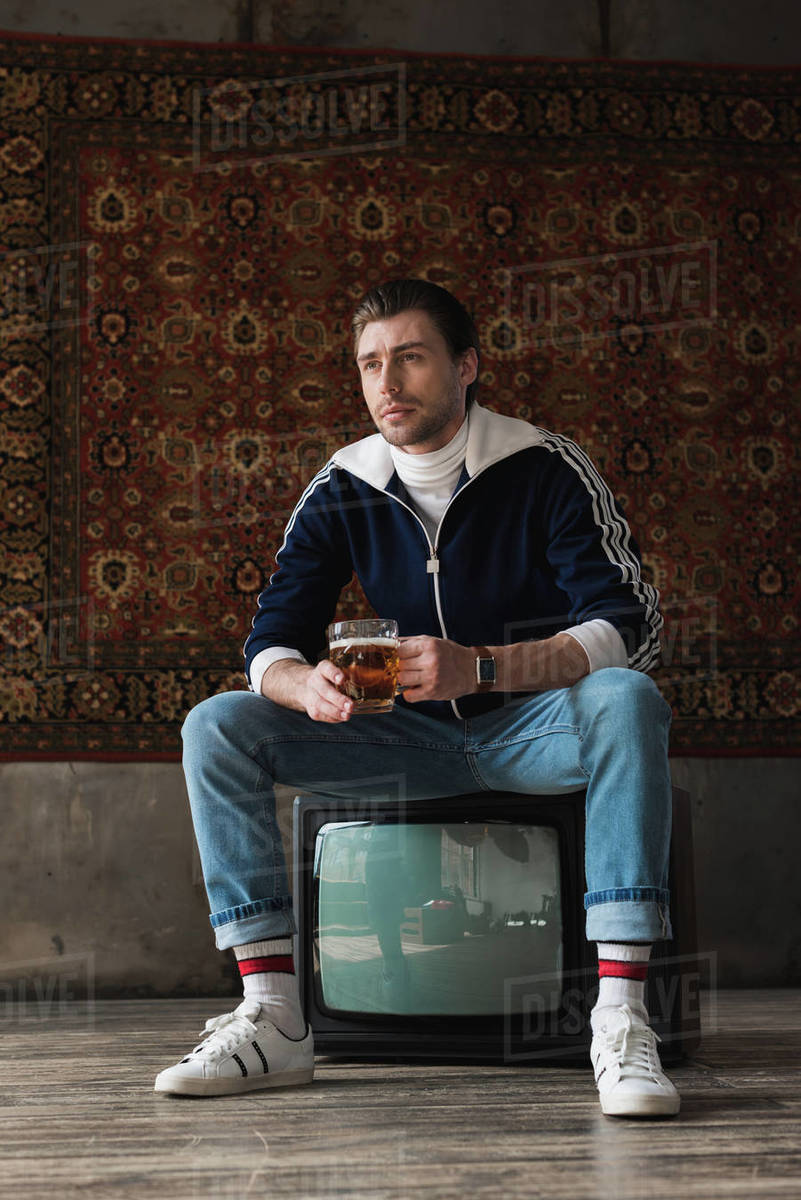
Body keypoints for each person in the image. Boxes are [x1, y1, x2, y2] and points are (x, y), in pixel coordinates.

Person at [154, 279, 678, 1118]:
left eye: (409, 357)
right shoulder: (342, 484)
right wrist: (303, 683)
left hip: (529, 733)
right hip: (396, 739)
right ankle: (274, 1018)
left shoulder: (543, 466)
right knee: (217, 724)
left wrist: (480, 668)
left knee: (625, 696)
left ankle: (619, 1023)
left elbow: (628, 625)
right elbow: (270, 641)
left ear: (466, 367)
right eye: (369, 364)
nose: (386, 383)